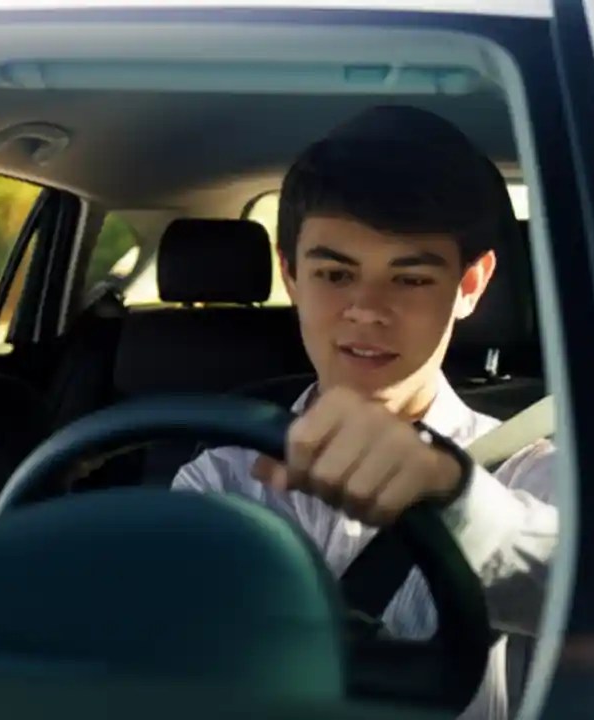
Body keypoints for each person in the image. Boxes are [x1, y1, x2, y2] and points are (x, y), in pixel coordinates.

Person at [173, 105, 556, 720]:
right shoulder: (221, 477)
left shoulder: (531, 474)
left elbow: (587, 583)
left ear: (470, 285)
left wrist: (458, 500)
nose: (367, 310)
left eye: (409, 280)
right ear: (290, 275)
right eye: (335, 273)